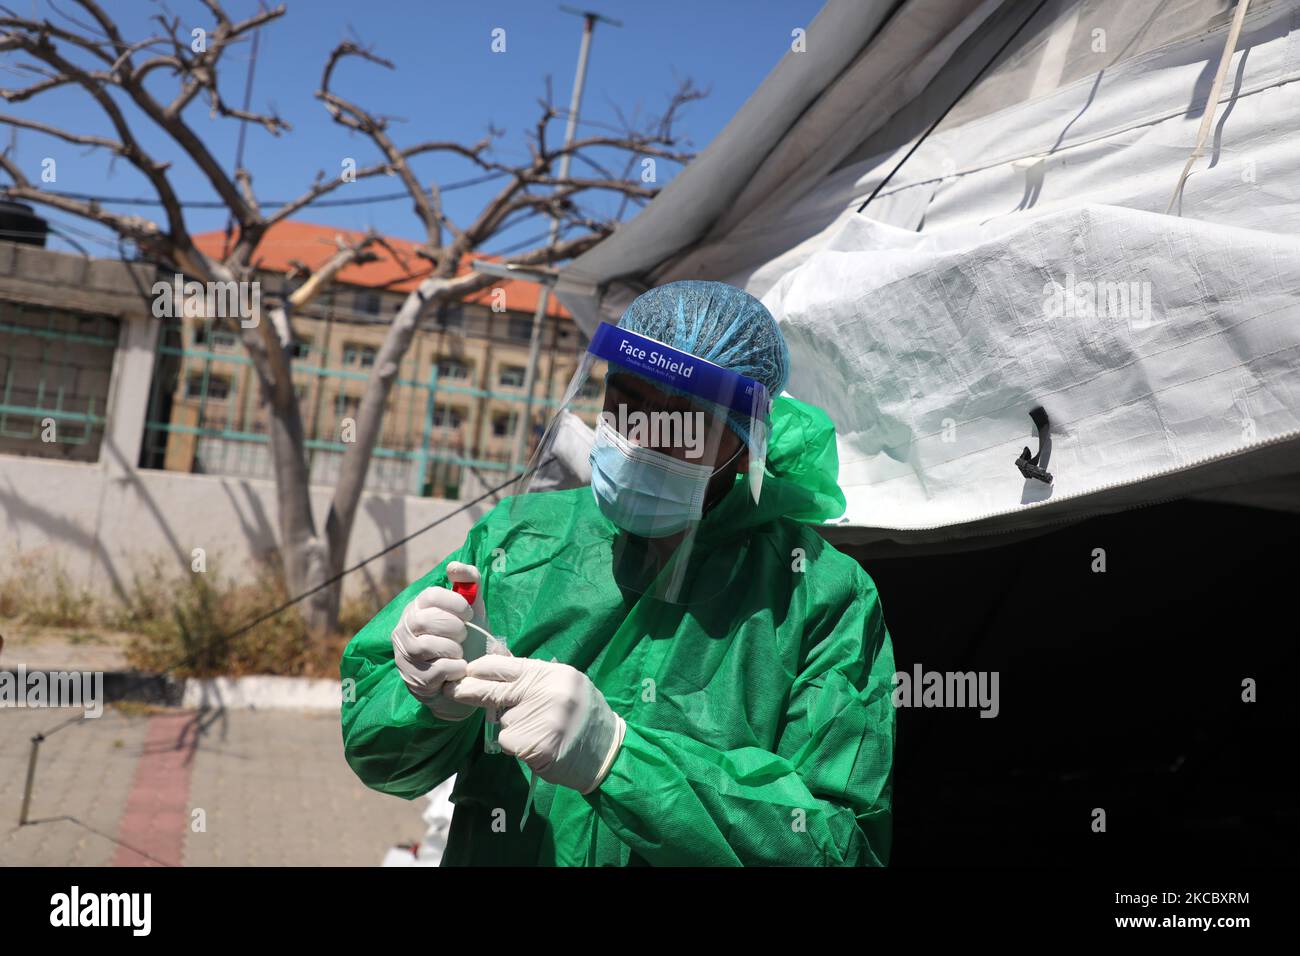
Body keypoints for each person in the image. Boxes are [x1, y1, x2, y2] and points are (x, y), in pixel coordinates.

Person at [340, 280, 895, 866]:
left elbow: (841, 847)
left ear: (740, 440)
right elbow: (382, 759)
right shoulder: (522, 538)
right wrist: (427, 703)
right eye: (626, 403)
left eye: (679, 423)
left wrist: (618, 758)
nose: (637, 439)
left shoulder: (817, 594)